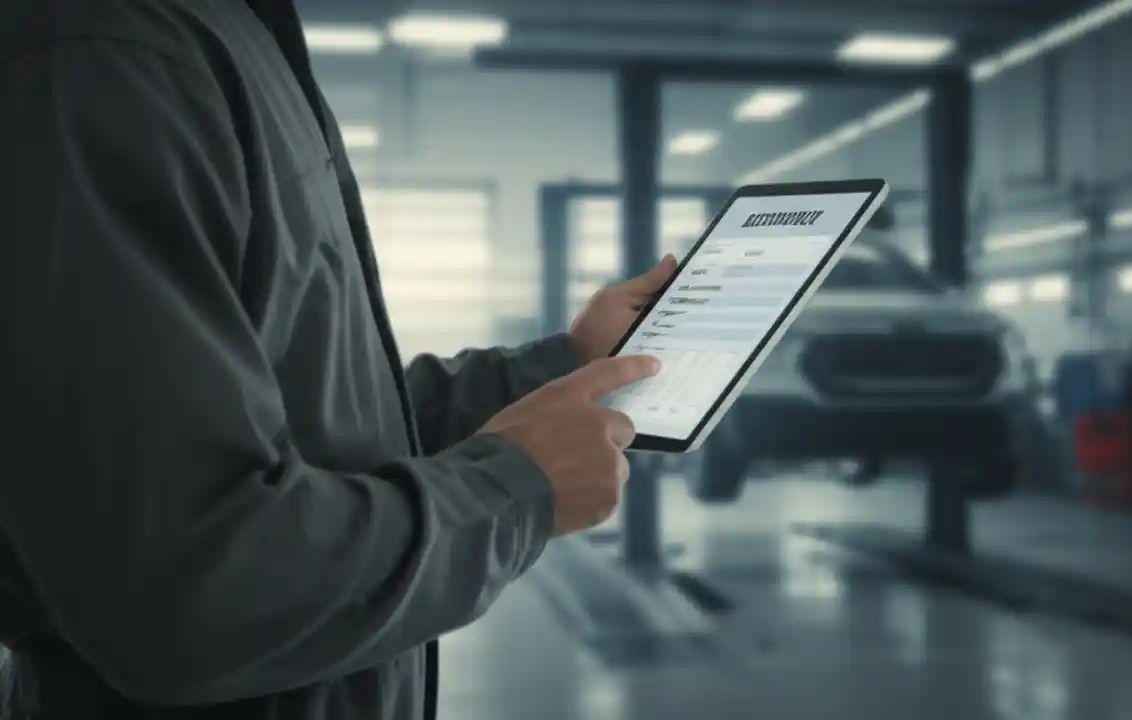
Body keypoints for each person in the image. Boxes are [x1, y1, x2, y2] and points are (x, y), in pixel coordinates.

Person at [0, 0, 678, 717]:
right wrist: (514, 489)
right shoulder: (107, 54)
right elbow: (185, 593)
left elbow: (315, 419)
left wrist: (564, 367)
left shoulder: (231, 36)